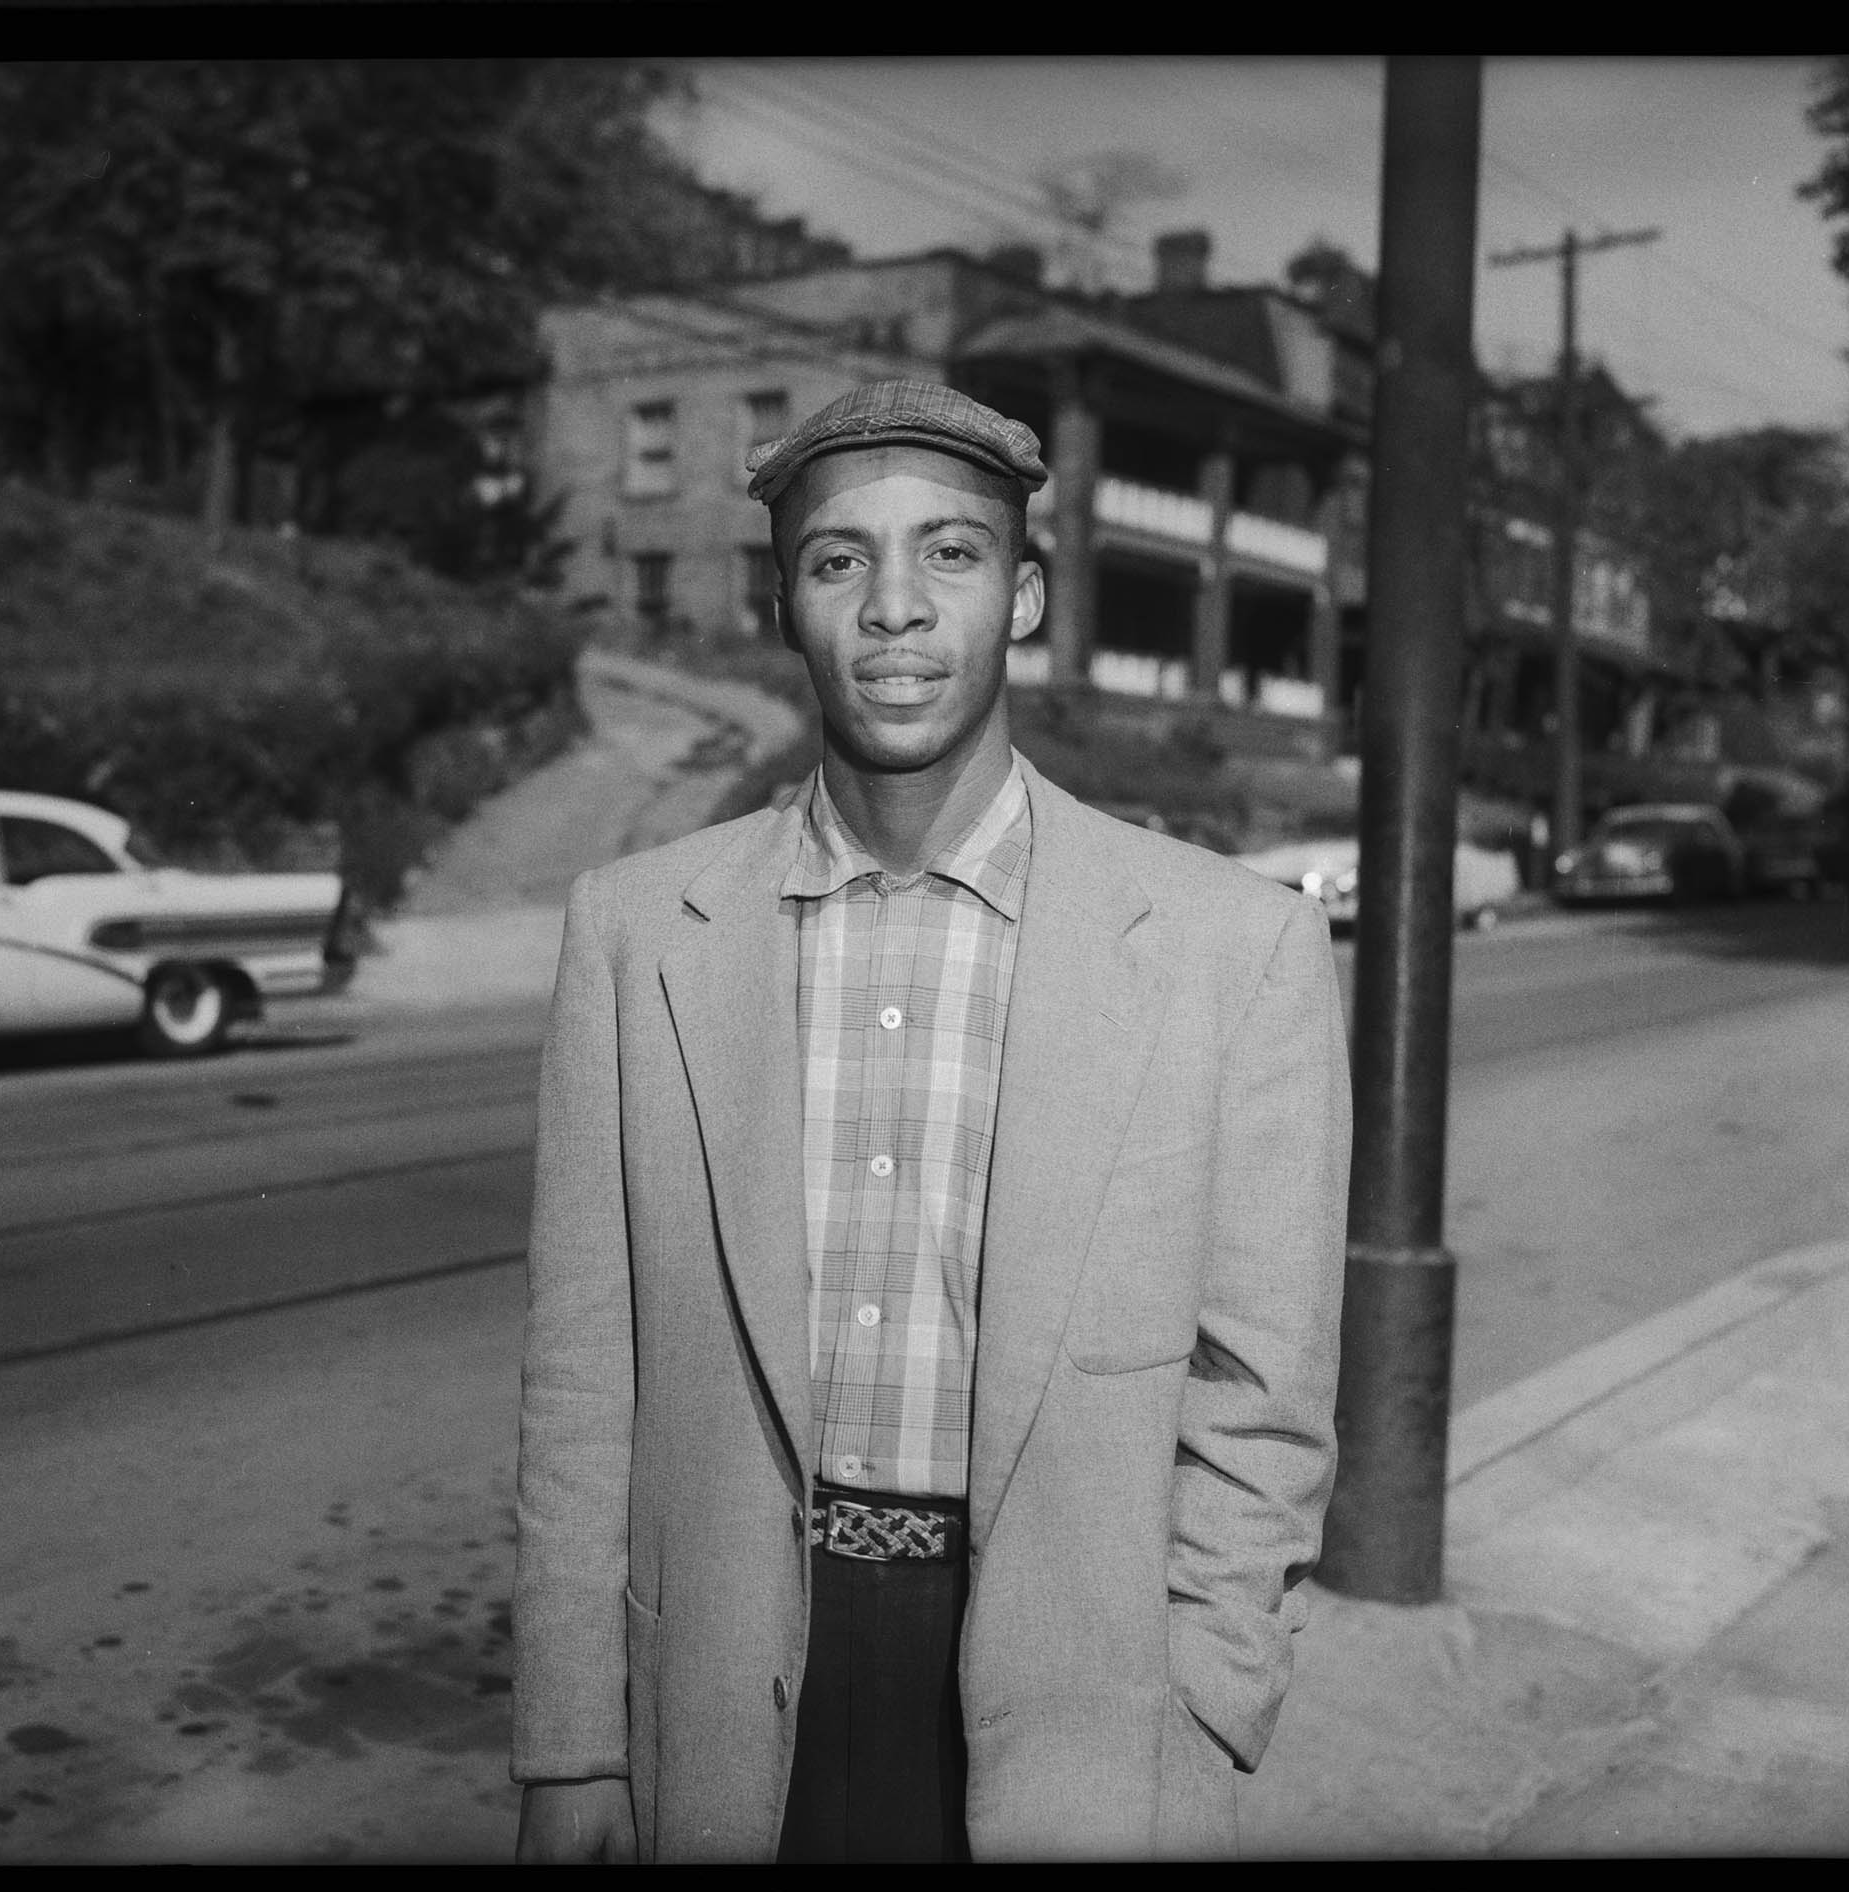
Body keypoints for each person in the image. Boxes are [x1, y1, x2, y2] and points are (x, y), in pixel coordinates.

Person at [510, 381, 1350, 1863]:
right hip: (723, 1684)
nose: (894, 607)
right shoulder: (637, 929)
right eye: (839, 562)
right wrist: (572, 1743)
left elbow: (1262, 1394)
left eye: (949, 555)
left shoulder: (1234, 949)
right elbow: (587, 1376)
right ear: (784, 605)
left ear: (1024, 594)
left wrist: (1207, 1699)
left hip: (1078, 1703)